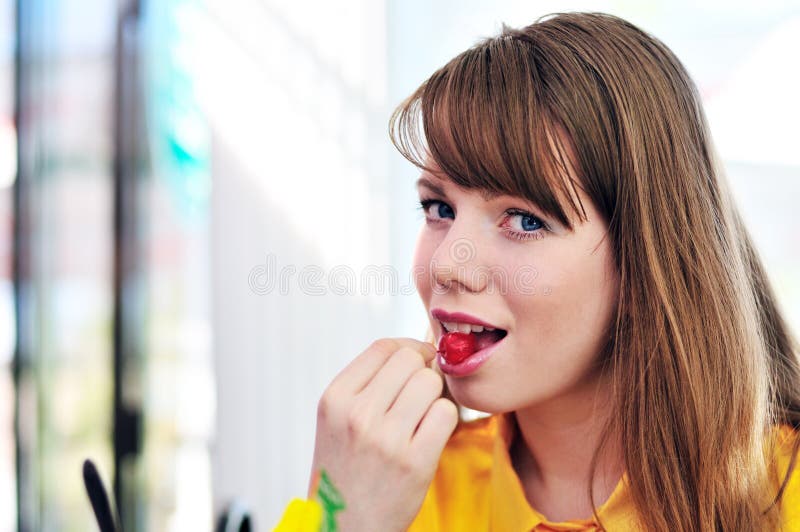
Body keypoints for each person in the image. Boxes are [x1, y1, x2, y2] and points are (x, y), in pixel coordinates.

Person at [307, 11, 800, 531]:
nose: (449, 264)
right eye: (439, 209)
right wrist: (335, 521)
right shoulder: (392, 494)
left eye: (524, 219)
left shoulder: (785, 493)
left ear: (643, 262)